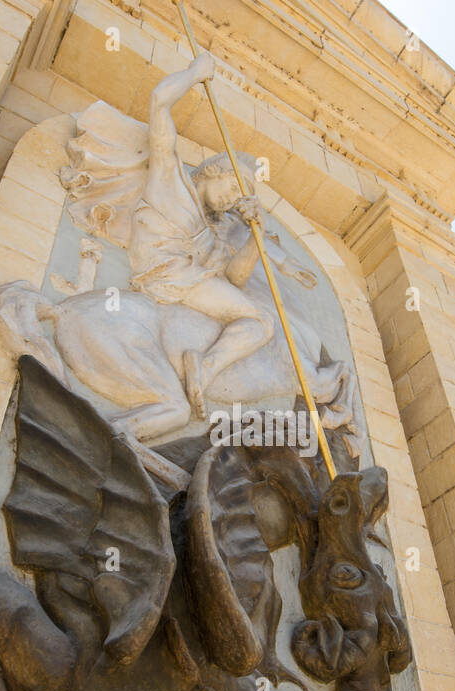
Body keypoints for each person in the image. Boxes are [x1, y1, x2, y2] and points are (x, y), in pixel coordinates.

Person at [128, 51, 311, 418]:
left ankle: (204, 368)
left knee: (260, 321)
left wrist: (254, 236)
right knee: (259, 320)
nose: (233, 197)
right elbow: (158, 103)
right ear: (213, 170)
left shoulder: (212, 236)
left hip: (183, 280)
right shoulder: (170, 177)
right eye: (233, 185)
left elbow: (234, 277)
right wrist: (194, 73)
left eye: (240, 195)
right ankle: (203, 369)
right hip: (163, 273)